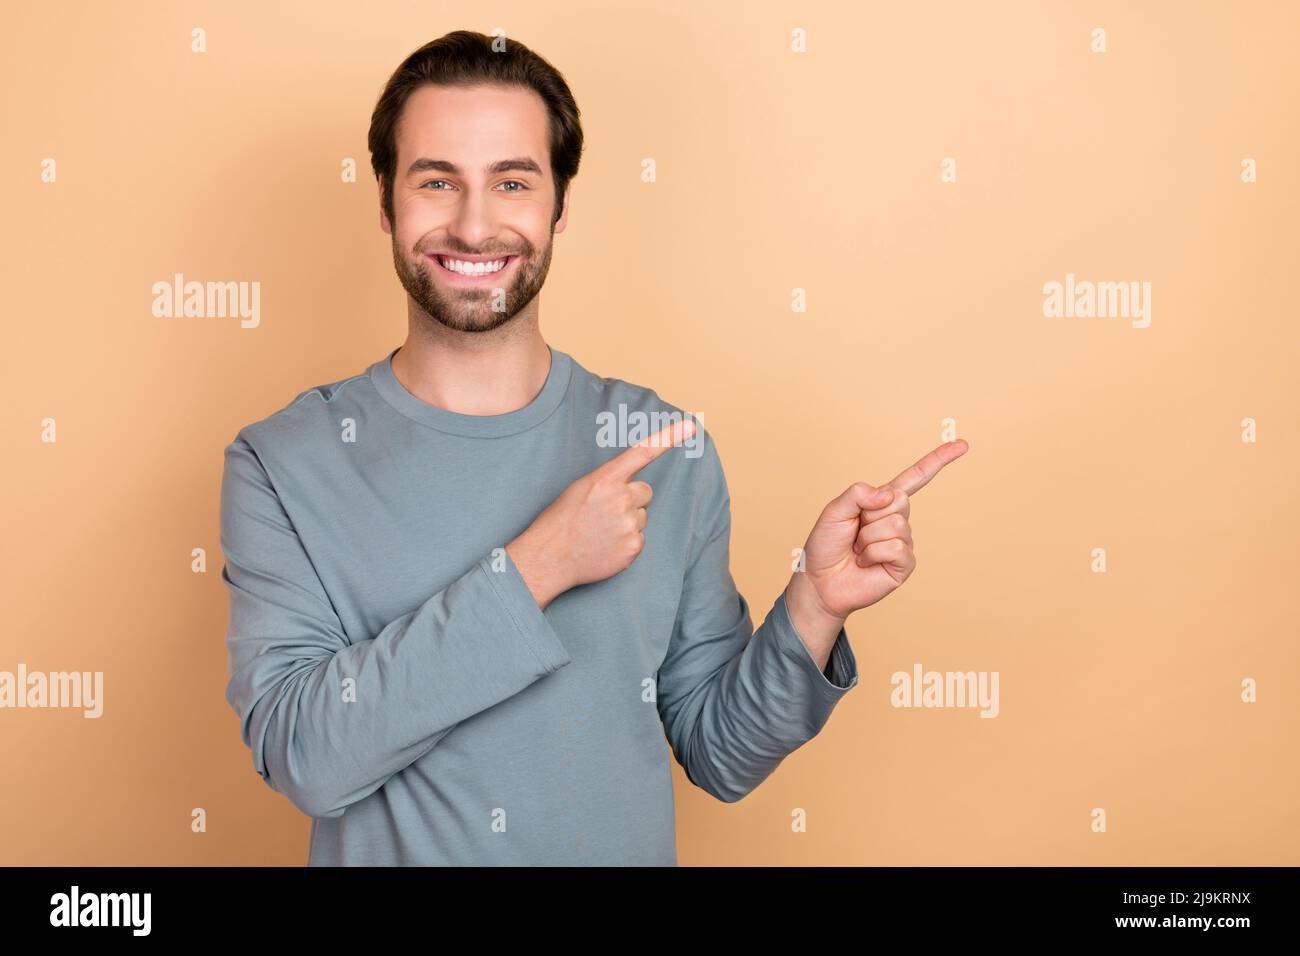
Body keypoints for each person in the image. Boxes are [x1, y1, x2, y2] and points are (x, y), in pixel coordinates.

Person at [220, 30, 968, 865]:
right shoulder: (283, 463)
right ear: (387, 202)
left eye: (512, 181)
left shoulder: (661, 449)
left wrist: (813, 610)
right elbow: (308, 760)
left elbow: (719, 754)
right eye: (437, 182)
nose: (474, 226)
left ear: (559, 206)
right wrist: (541, 564)